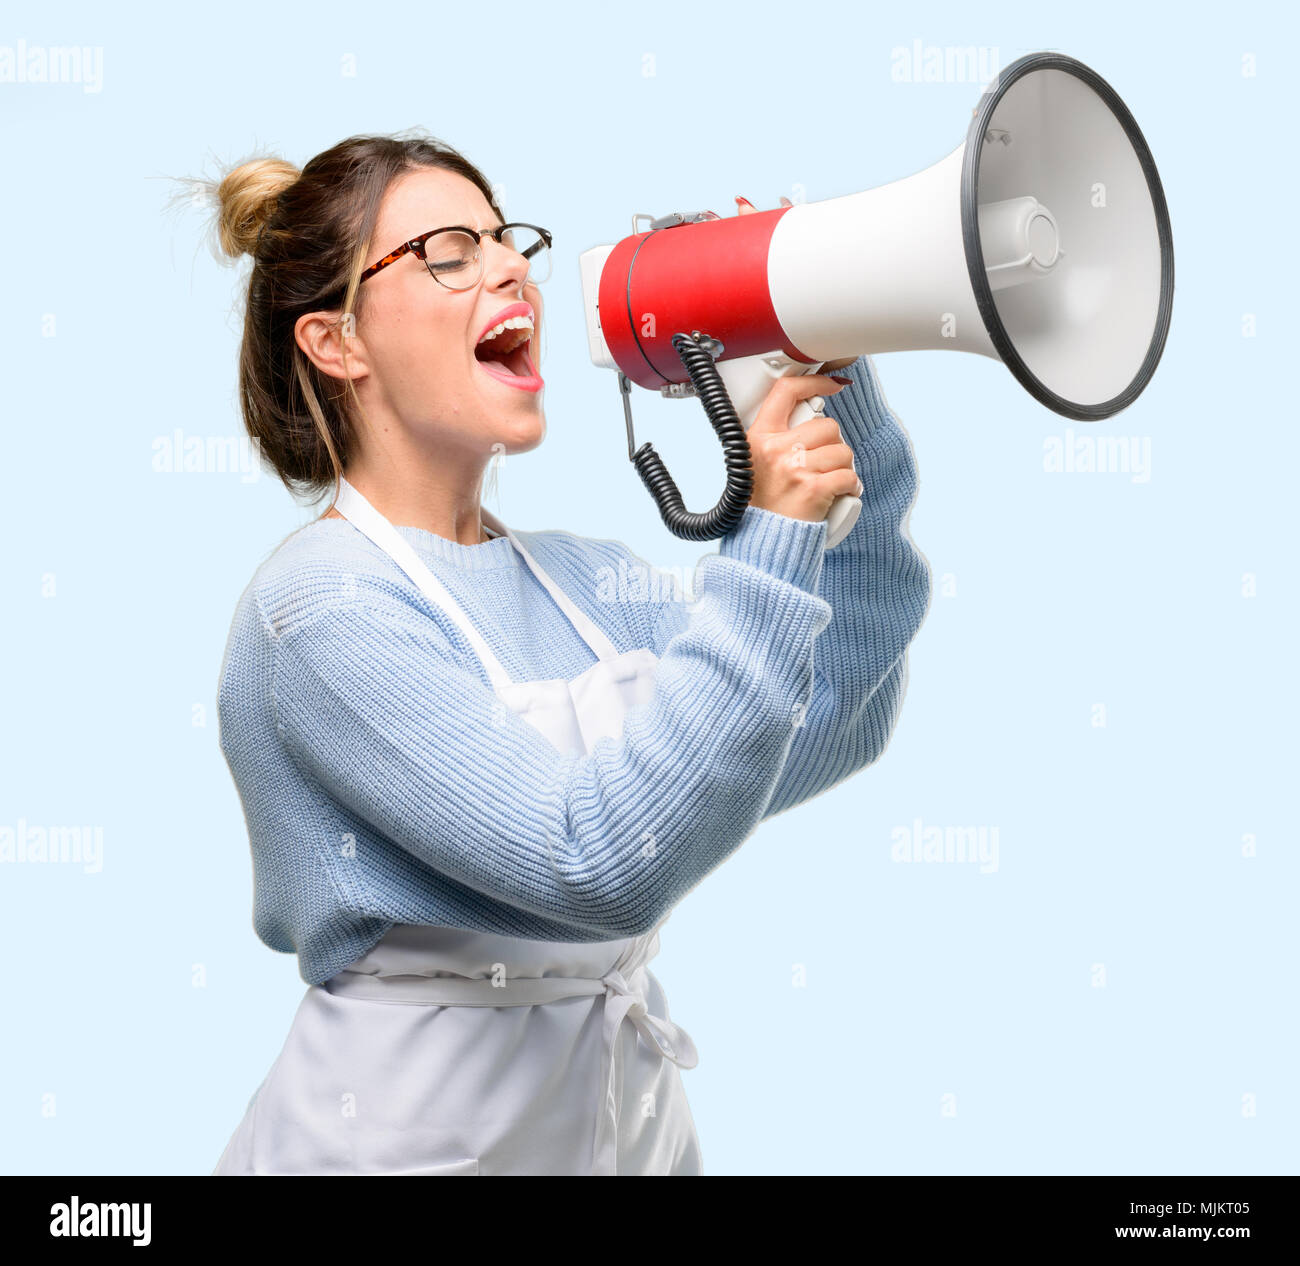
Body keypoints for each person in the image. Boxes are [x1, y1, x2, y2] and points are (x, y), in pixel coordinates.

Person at [200, 130, 931, 1176]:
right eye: (449, 251)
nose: (509, 268)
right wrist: (764, 541)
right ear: (337, 343)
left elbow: (831, 716)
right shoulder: (317, 611)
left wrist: (821, 369)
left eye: (508, 240)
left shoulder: (589, 582)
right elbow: (595, 862)